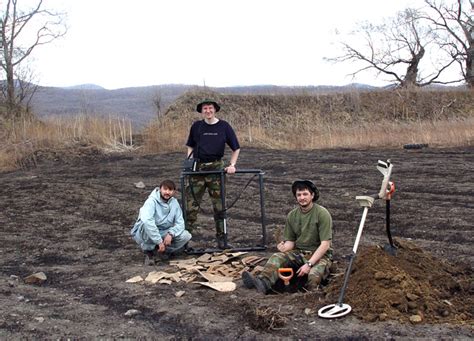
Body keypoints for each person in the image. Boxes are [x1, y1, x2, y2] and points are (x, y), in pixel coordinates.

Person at [242, 180, 333, 294]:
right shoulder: (292, 215)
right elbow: (291, 242)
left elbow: (325, 244)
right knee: (276, 257)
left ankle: (311, 294)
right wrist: (284, 248)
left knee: (313, 277)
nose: (302, 197)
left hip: (319, 255)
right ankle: (262, 283)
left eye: (305, 194)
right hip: (299, 252)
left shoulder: (322, 213)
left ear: (312, 195)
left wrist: (309, 264)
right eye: (298, 195)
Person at [185, 99, 240, 249]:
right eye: (205, 108)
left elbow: (236, 148)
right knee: (190, 206)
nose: (208, 111)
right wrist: (189, 163)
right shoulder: (196, 126)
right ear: (202, 111)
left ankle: (222, 239)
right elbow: (190, 146)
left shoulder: (224, 126)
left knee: (219, 206)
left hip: (216, 169)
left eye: (210, 108)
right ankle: (183, 240)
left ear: (215, 110)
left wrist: (232, 165)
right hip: (198, 169)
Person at [131, 179, 191, 265]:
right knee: (145, 225)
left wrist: (171, 233)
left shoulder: (174, 203)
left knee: (185, 236)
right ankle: (149, 251)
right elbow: (147, 221)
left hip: (163, 231)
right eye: (165, 189)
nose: (167, 192)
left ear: (174, 191)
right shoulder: (151, 202)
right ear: (160, 189)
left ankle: (162, 252)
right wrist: (159, 241)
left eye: (170, 190)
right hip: (146, 232)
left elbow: (180, 223)